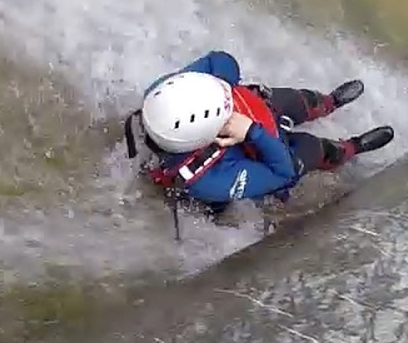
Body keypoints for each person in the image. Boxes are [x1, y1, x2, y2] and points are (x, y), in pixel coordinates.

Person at [124, 51, 394, 225]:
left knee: (297, 100)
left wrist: (224, 91)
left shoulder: (163, 94)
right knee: (314, 150)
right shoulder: (210, 182)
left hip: (254, 116)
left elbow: (221, 60)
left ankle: (328, 102)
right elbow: (282, 172)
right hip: (262, 154)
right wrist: (251, 133)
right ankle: (351, 147)